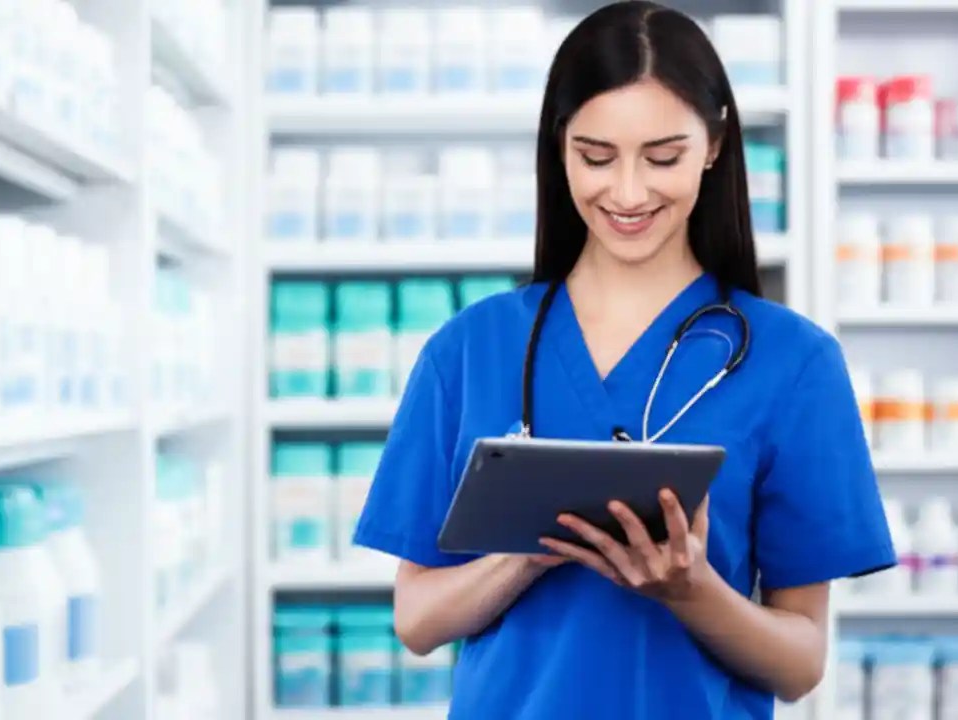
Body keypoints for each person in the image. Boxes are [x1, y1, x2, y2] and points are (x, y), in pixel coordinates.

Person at [351, 2, 897, 718]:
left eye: (664, 157)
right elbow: (417, 620)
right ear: (559, 147)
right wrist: (532, 550)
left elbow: (800, 665)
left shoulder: (794, 365)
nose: (629, 193)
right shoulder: (468, 350)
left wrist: (690, 589)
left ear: (714, 144)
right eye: (596, 157)